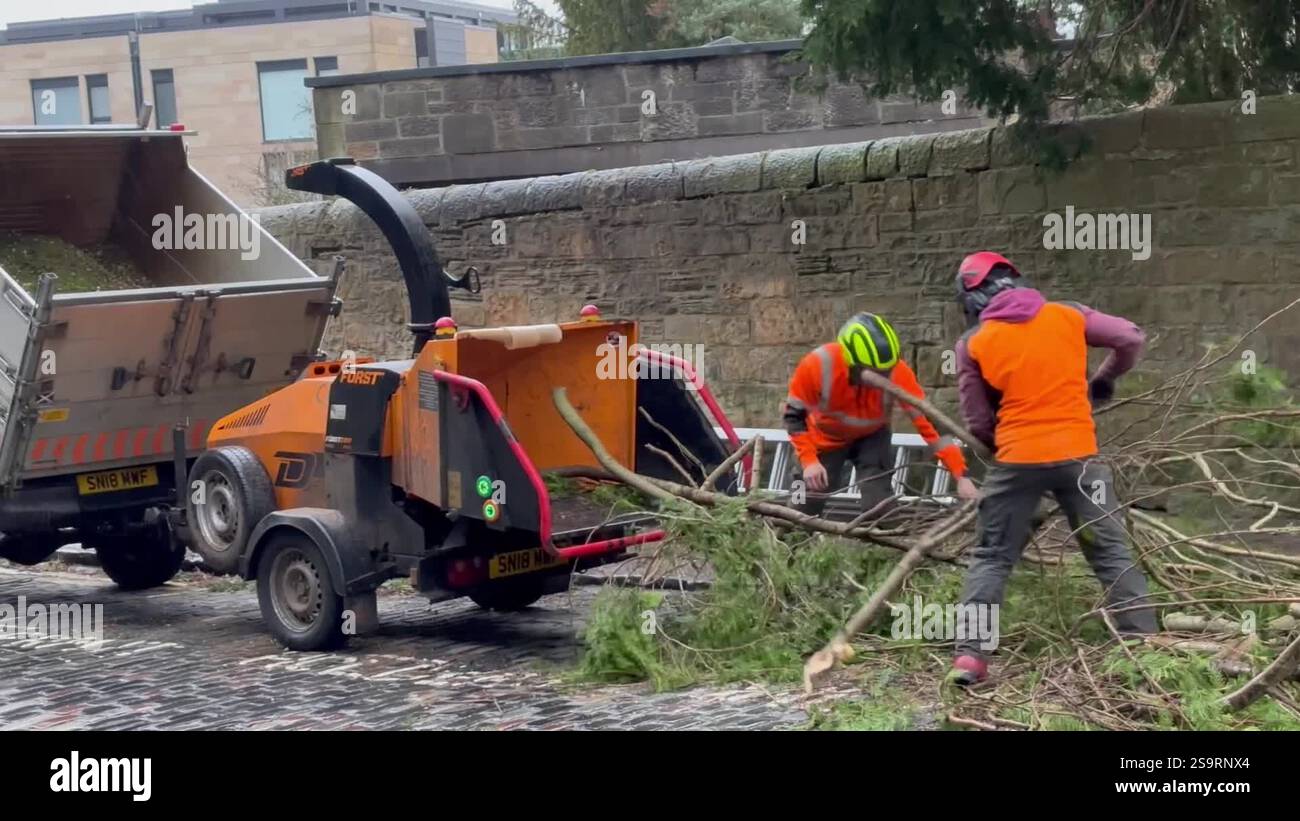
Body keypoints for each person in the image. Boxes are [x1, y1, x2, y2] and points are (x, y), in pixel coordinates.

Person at [950, 251, 1158, 685]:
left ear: (971, 301)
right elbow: (1131, 338)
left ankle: (970, 658)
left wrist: (1000, 444)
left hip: (1017, 460)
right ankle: (1145, 649)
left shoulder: (973, 343)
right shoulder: (1068, 315)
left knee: (992, 557)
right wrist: (1100, 382)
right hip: (1079, 458)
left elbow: (977, 421)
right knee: (1110, 553)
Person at [782, 312, 977, 520]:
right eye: (873, 372)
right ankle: (787, 540)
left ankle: (883, 546)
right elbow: (793, 417)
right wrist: (808, 460)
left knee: (880, 504)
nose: (882, 378)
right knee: (804, 500)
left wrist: (960, 474)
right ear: (851, 361)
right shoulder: (818, 364)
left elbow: (929, 423)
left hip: (872, 438)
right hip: (823, 438)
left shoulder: (898, 371)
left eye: (885, 371)